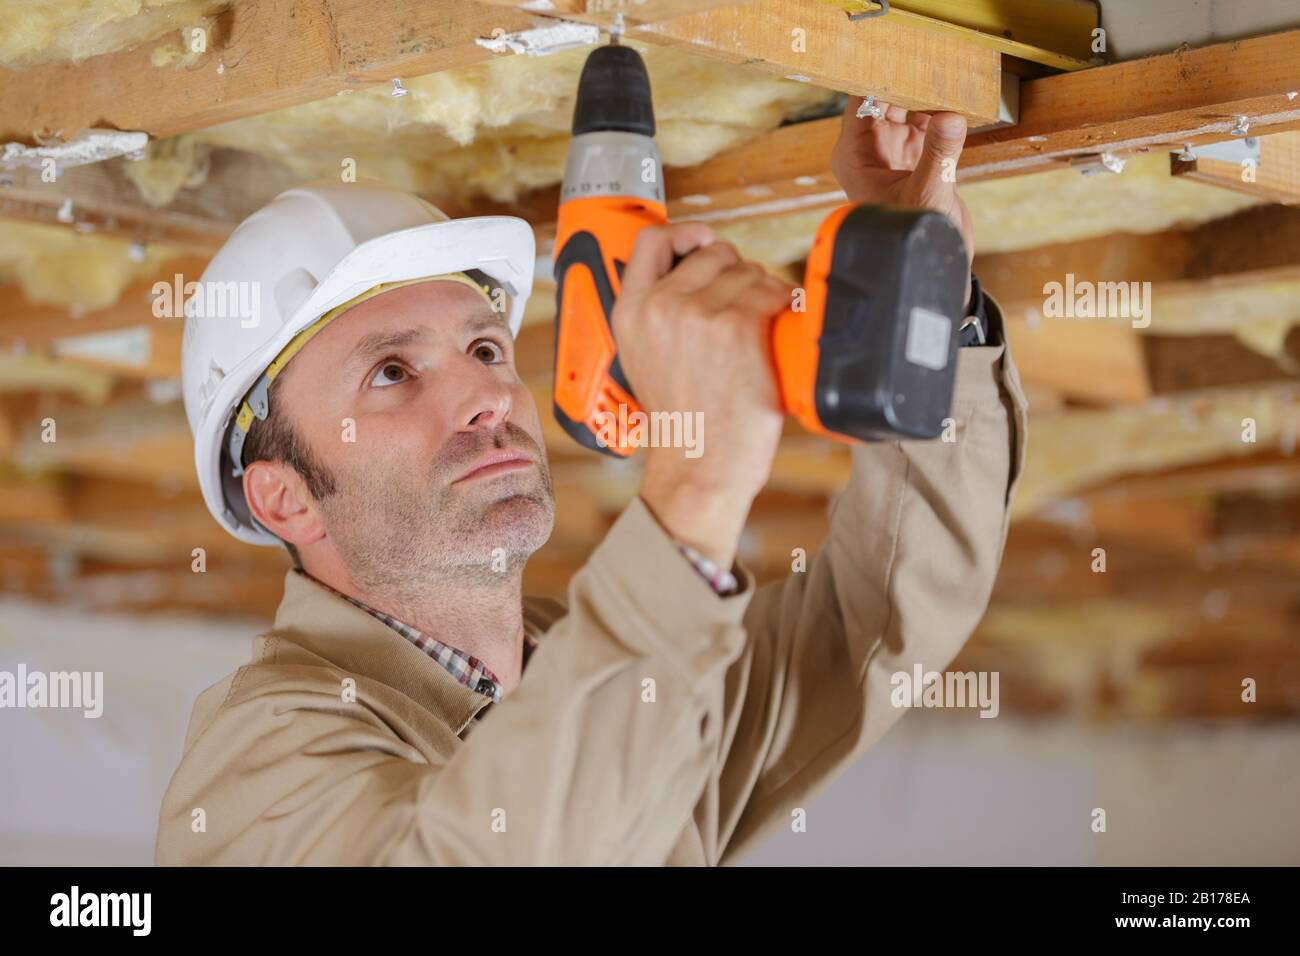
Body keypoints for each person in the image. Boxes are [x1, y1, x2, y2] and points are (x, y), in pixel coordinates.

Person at [156, 98, 1027, 865]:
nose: (488, 395)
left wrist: (917, 291)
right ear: (285, 497)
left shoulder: (614, 662)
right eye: (391, 373)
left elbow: (869, 626)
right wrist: (694, 488)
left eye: (485, 347)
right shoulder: (261, 762)